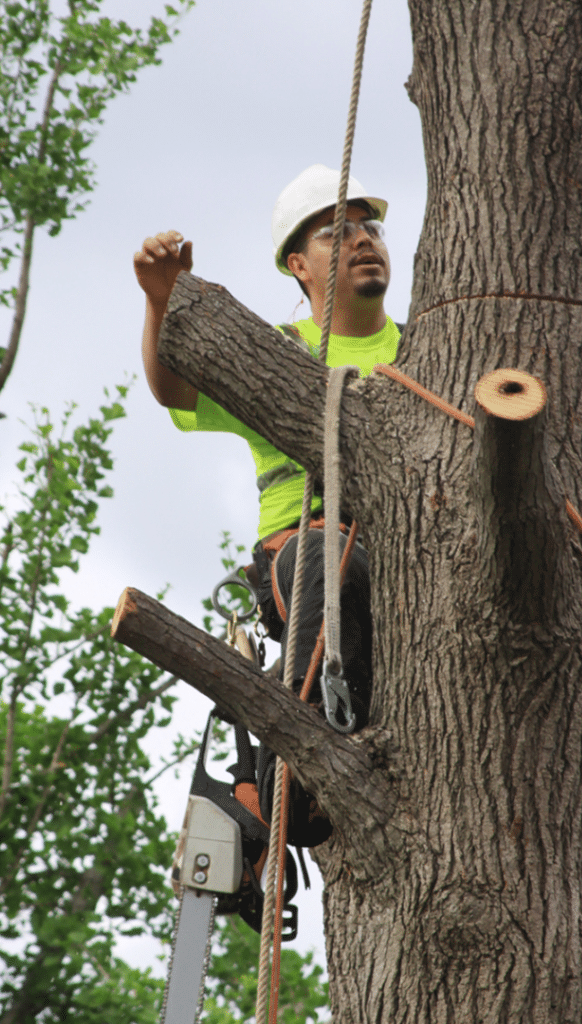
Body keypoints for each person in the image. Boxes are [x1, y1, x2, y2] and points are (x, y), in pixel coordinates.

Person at [133, 164, 400, 740]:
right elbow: (173, 390)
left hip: (408, 555)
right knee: (331, 562)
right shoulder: (277, 356)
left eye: (370, 228)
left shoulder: (426, 347)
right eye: (336, 232)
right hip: (310, 552)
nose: (362, 240)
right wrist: (160, 303)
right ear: (298, 266)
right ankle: (311, 752)